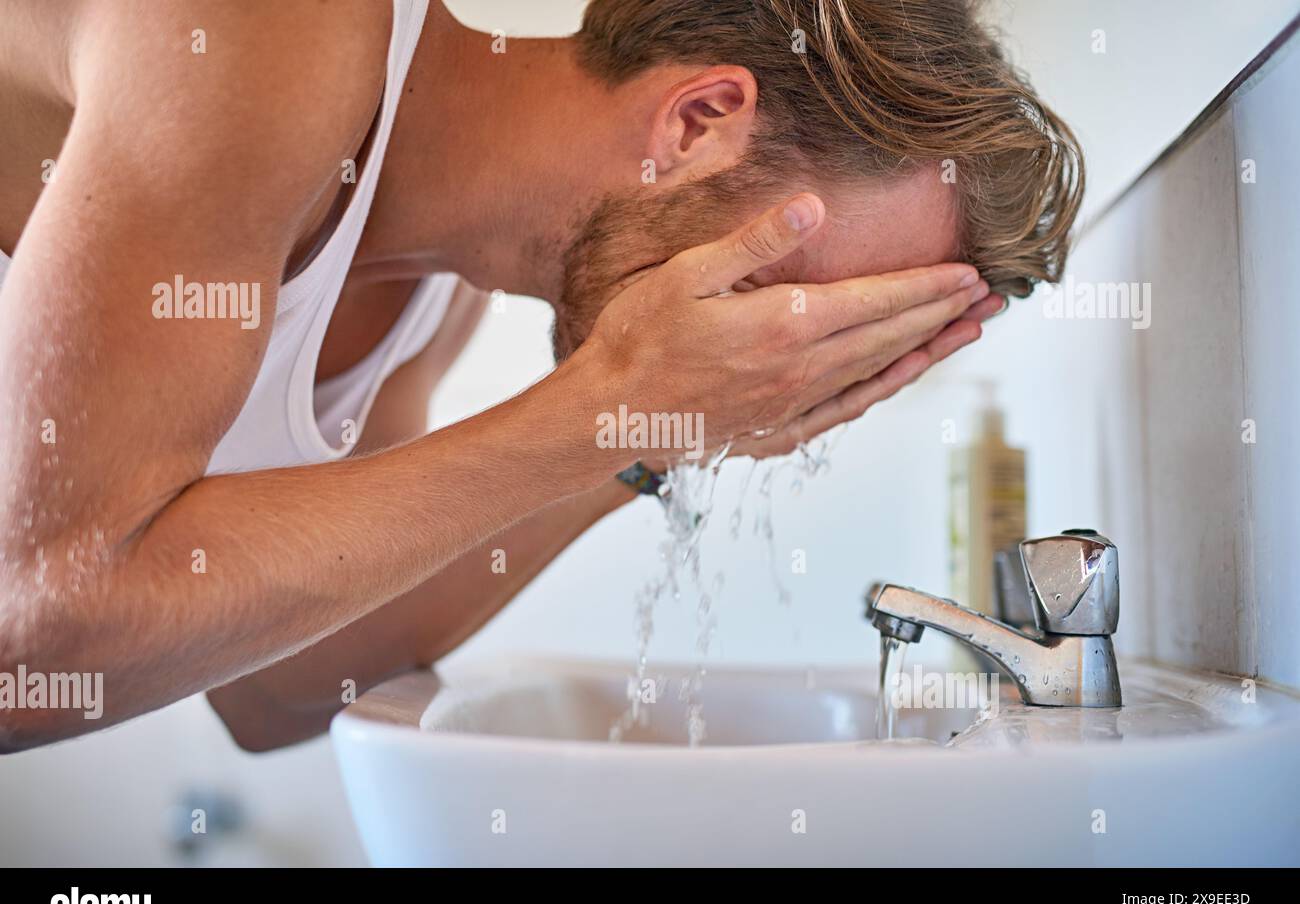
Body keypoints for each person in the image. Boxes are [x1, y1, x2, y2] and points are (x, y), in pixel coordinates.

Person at [0, 0, 1081, 751]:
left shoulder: (434, 303)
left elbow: (270, 693)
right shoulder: (272, 34)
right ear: (699, 122)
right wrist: (602, 410)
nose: (792, 354)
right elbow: (32, 641)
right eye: (811, 302)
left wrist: (639, 444)